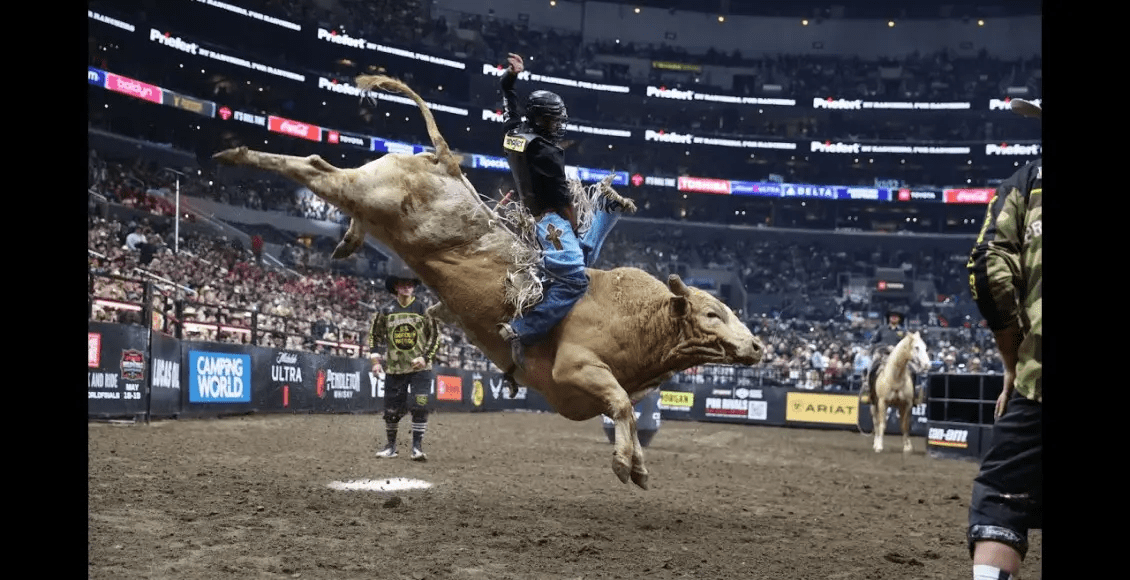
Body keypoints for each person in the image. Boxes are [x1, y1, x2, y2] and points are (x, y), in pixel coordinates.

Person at [964, 98, 1041, 580]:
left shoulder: (1026, 184)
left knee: (1000, 499)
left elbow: (987, 270)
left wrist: (1013, 365)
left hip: (1039, 382)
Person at [494, 52, 587, 371]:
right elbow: (562, 199)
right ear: (541, 120)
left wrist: (511, 77)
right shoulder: (548, 151)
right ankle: (523, 330)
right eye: (553, 120)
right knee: (576, 280)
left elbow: (507, 99)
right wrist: (573, 226)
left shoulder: (515, 132)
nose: (558, 125)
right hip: (548, 220)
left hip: (522, 211)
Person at [370, 264, 440, 461]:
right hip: (394, 368)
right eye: (403, 284)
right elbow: (374, 338)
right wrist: (376, 361)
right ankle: (391, 447)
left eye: (410, 284)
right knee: (391, 411)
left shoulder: (424, 309)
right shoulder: (385, 311)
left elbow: (435, 338)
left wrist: (424, 358)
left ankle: (417, 448)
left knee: (420, 404)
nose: (407, 287)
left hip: (421, 369)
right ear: (396, 287)